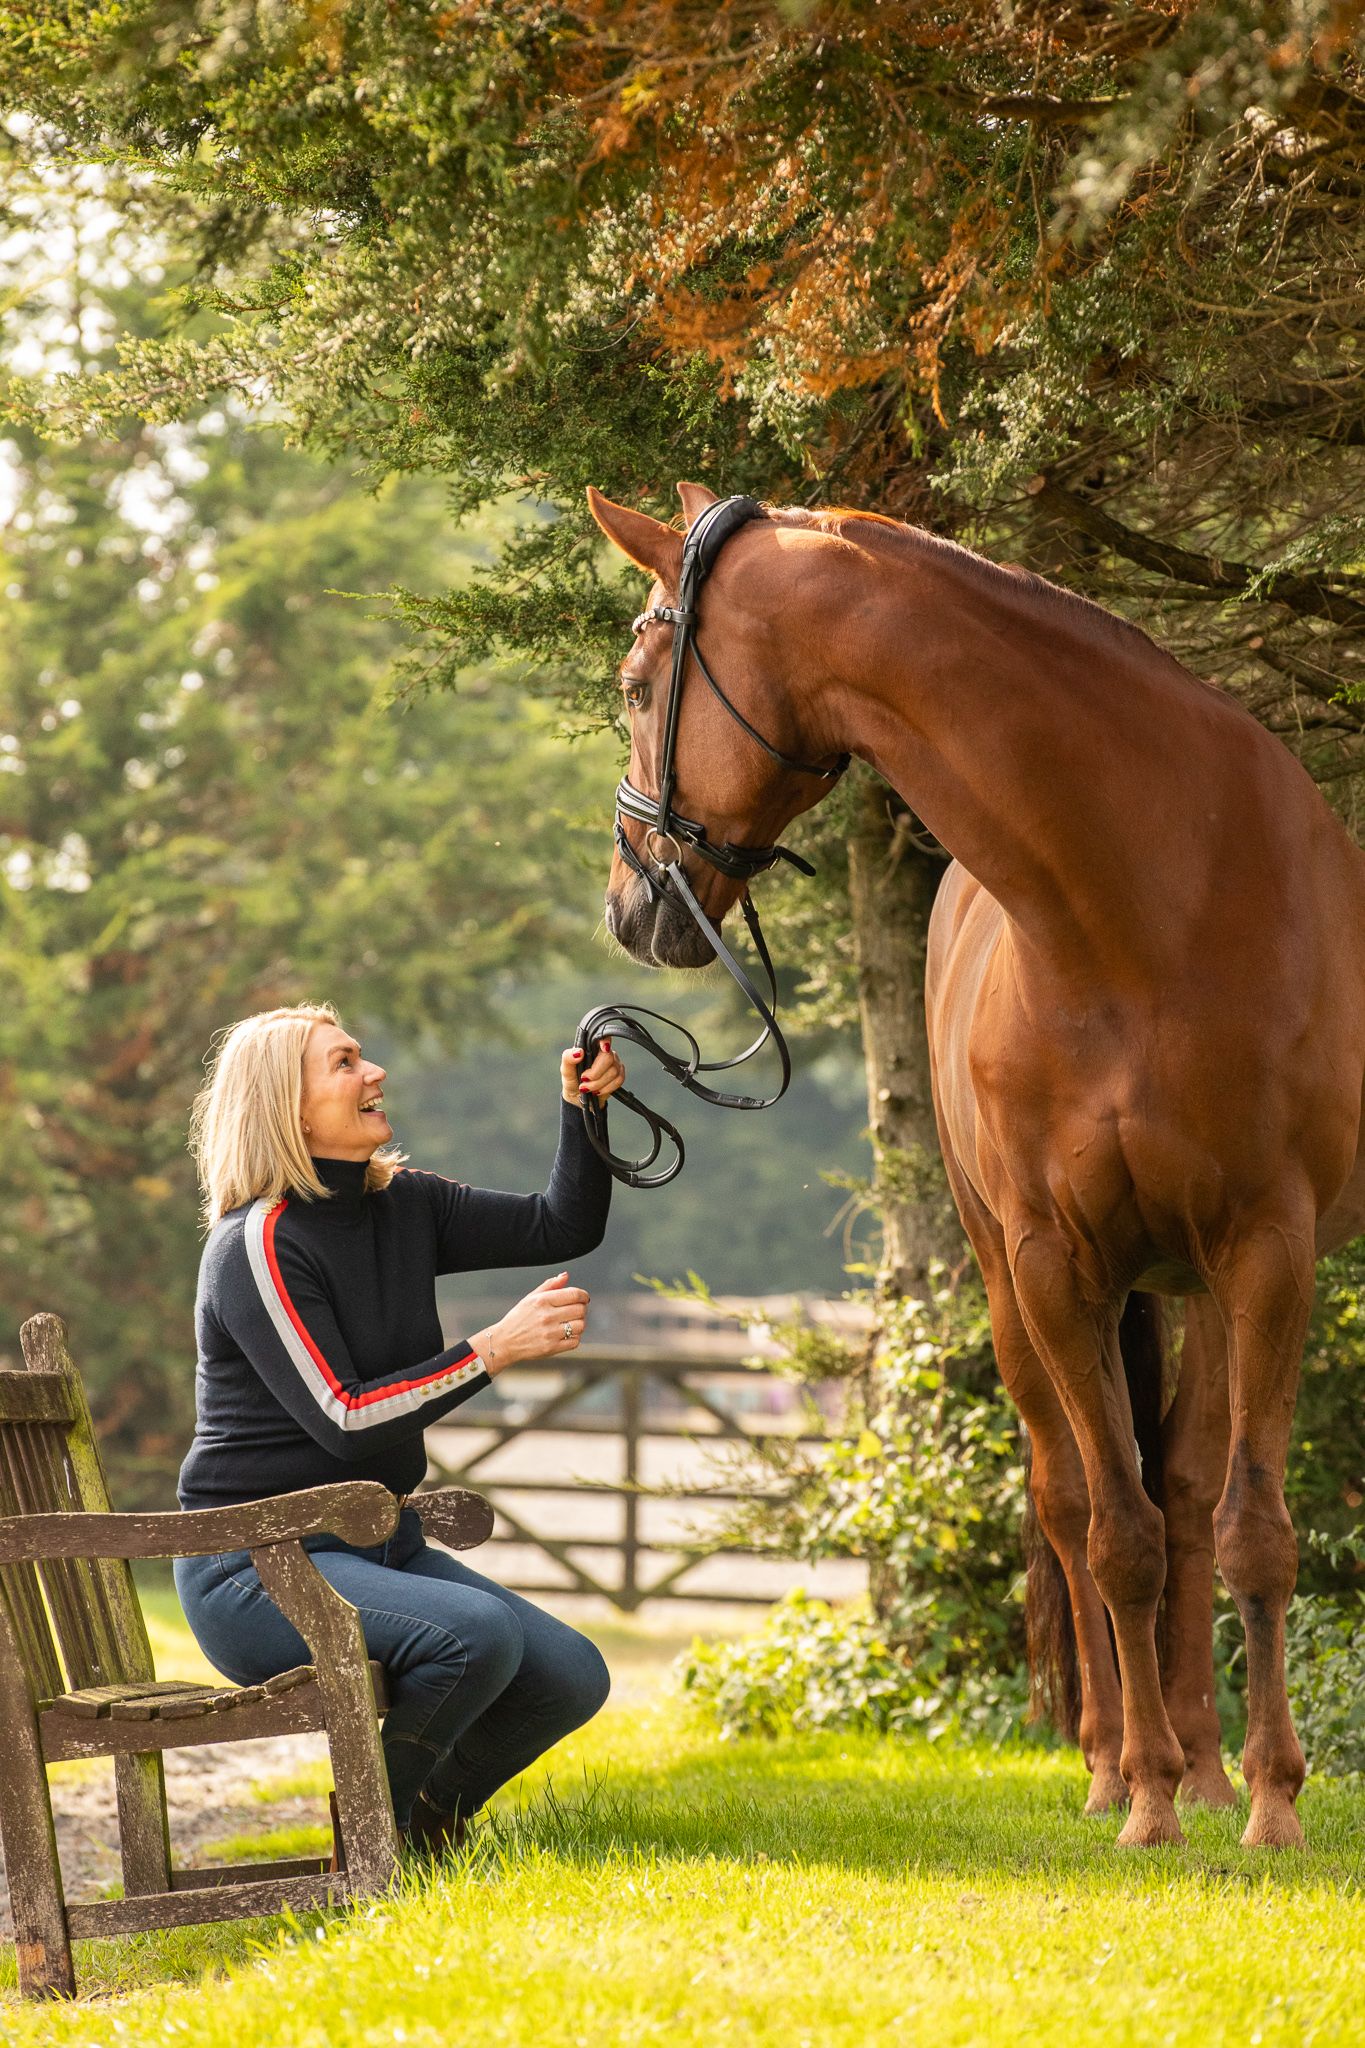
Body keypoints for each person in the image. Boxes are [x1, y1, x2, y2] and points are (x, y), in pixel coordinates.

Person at [173, 1001, 626, 1856]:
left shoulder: (402, 1205)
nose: (373, 1072)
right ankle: (373, 1843)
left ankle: (420, 1832)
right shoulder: (256, 1244)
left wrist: (584, 1108)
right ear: (287, 1107)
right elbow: (345, 1419)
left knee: (570, 1676)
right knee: (474, 1636)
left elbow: (560, 1223)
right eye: (344, 1063)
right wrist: (491, 1350)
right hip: (256, 1567)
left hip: (375, 1550)